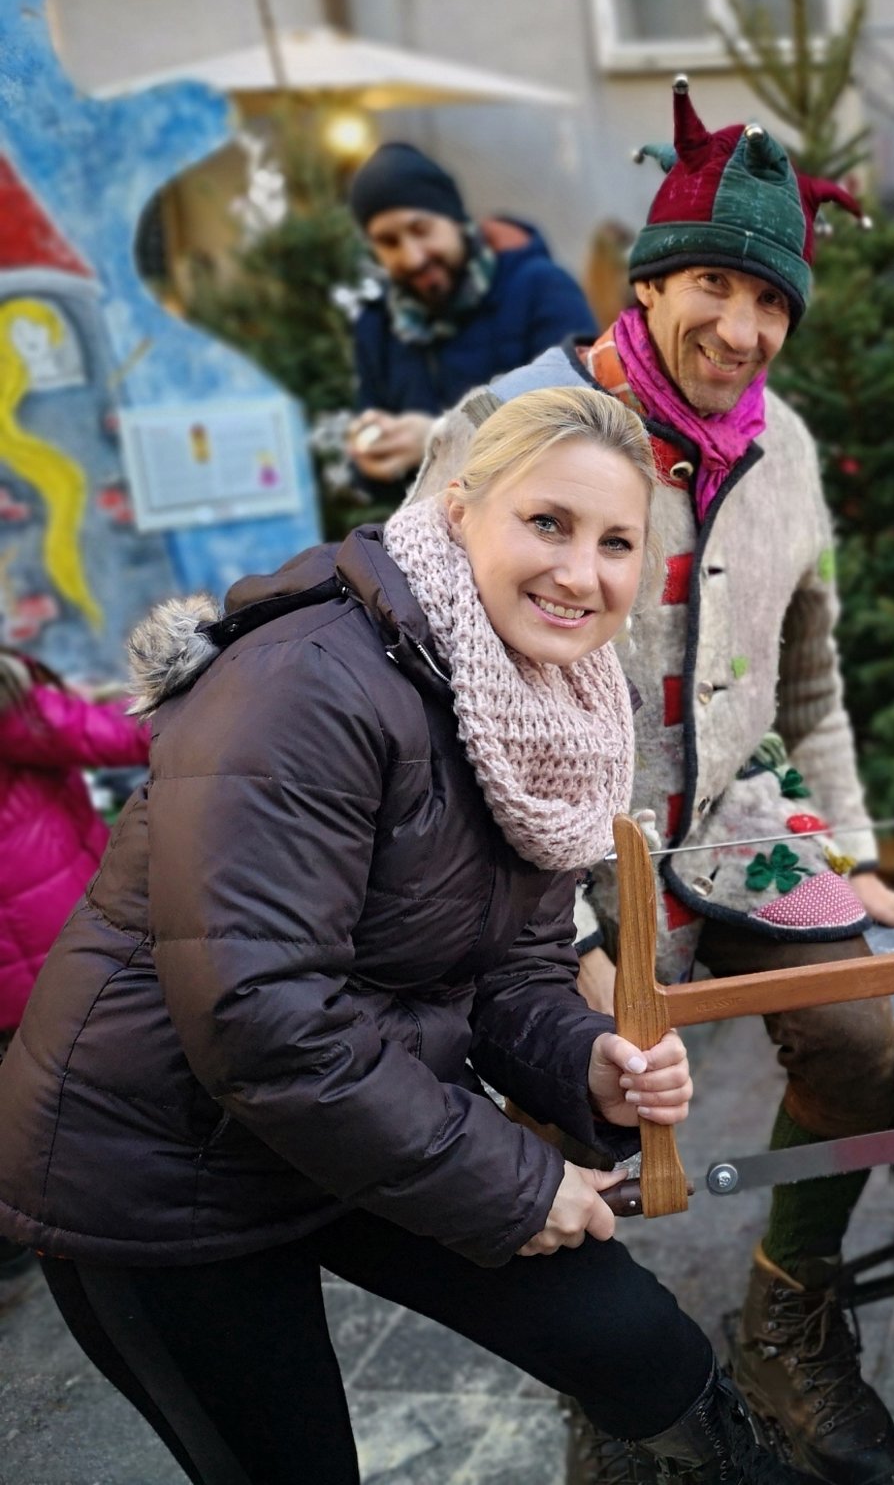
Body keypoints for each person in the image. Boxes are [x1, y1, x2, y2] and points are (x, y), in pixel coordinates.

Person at [0, 387, 823, 1485]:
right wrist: (516, 1183)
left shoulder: (550, 699)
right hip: (161, 1171)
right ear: (459, 509)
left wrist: (586, 1065)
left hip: (354, 1113)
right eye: (548, 523)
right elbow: (261, 1020)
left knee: (637, 1344)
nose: (581, 573)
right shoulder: (307, 683)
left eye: (616, 542)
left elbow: (512, 964)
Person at [418, 78, 894, 1485]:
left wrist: (858, 844)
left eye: (772, 304)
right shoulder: (513, 429)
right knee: (582, 1099)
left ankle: (787, 1312)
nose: (743, 329)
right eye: (713, 283)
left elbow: (808, 675)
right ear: (648, 284)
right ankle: (618, 1383)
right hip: (544, 836)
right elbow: (421, 679)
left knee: (861, 1042)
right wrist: (561, 932)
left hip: (734, 819)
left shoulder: (788, 447)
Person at [0, 647, 151, 1308]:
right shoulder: (11, 701)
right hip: (41, 937)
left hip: (21, 943)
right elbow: (126, 737)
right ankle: (95, 1228)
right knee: (87, 1089)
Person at [345, 142, 597, 500]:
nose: (412, 257)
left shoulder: (542, 289)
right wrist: (373, 457)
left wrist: (444, 438)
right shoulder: (377, 326)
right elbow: (373, 477)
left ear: (456, 218)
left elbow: (584, 420)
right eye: (389, 242)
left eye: (421, 230)